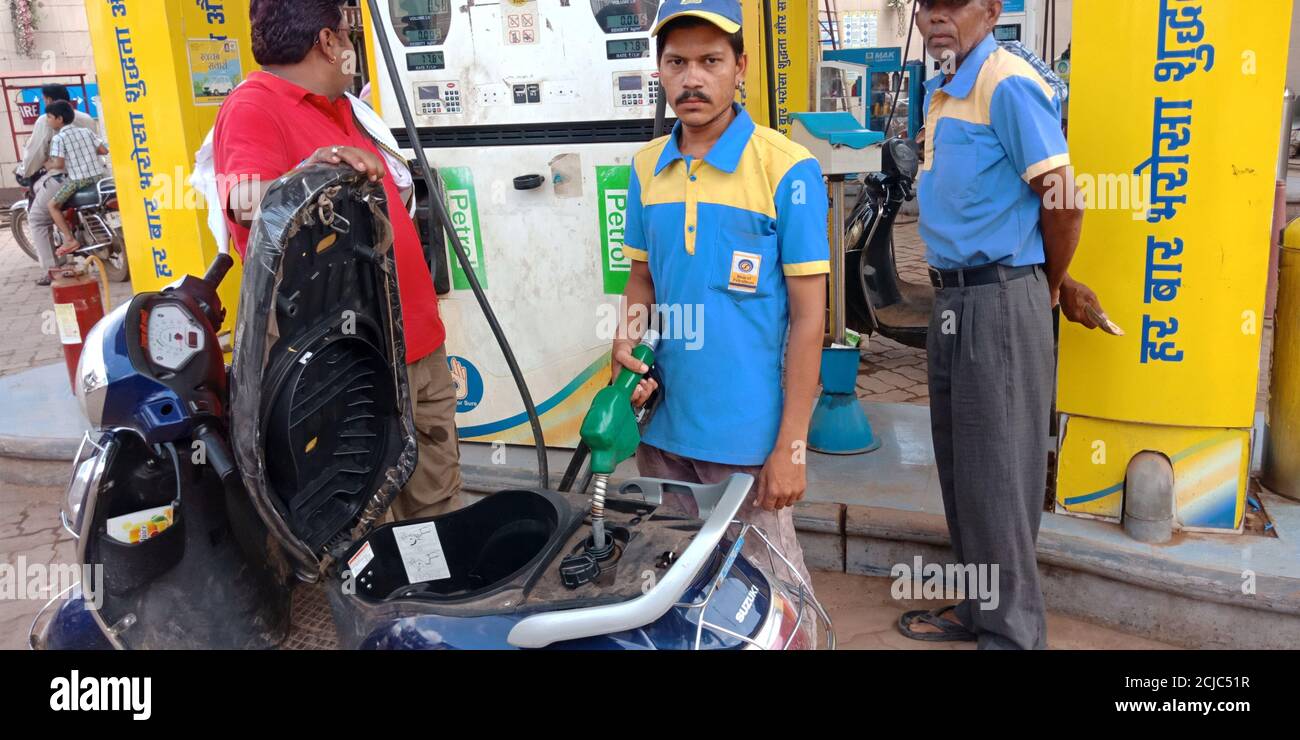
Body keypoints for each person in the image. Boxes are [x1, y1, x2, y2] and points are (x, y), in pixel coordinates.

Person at [896, 0, 1105, 649]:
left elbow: (1064, 201)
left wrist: (1046, 287)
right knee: (966, 475)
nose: (936, 16)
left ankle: (1013, 636)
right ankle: (983, 610)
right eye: (927, 5)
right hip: (954, 300)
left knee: (1001, 481)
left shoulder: (1005, 82)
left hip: (1001, 300)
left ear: (989, 11)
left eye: (952, 4)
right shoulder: (942, 90)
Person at [212, 0, 462, 519]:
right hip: (350, 363)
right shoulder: (255, 105)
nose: (351, 46)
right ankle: (390, 600)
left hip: (414, 346)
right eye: (347, 33)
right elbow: (242, 201)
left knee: (434, 505)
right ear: (327, 42)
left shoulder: (344, 107)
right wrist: (306, 173)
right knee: (368, 512)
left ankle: (435, 594)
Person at [615, 0, 828, 599]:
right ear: (658, 71)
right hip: (660, 432)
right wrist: (624, 345)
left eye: (711, 60)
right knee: (669, 590)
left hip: (748, 443)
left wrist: (791, 447)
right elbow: (641, 283)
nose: (692, 78)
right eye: (676, 62)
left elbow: (811, 321)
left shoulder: (787, 170)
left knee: (766, 595)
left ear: (740, 69)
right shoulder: (644, 168)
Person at [16, 85, 98, 285]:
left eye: (45, 101)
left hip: (67, 177)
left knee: (37, 218)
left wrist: (25, 171)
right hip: (95, 175)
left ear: (51, 103)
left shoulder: (47, 122)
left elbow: (36, 152)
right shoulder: (86, 118)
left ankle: (54, 267)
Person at [44, 101, 109, 259]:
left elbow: (59, 164)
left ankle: (70, 239)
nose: (48, 120)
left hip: (79, 181)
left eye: (49, 117)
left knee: (52, 205)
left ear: (59, 119)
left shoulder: (59, 138)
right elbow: (103, 150)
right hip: (99, 178)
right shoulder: (86, 132)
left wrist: (48, 165)